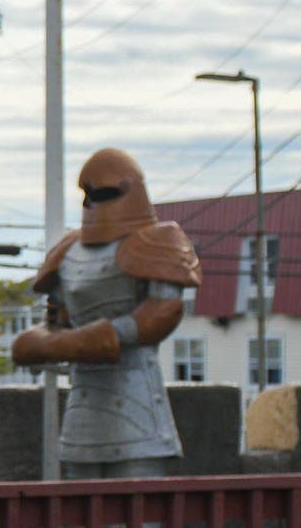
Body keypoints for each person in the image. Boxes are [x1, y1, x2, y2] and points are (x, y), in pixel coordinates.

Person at [13, 147, 199, 478]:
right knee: (80, 524)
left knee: (139, 522)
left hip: (136, 396)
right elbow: (55, 320)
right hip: (82, 402)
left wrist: (103, 336)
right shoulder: (68, 250)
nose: (94, 202)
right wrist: (47, 342)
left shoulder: (157, 240)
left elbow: (161, 312)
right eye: (90, 194)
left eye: (105, 193)